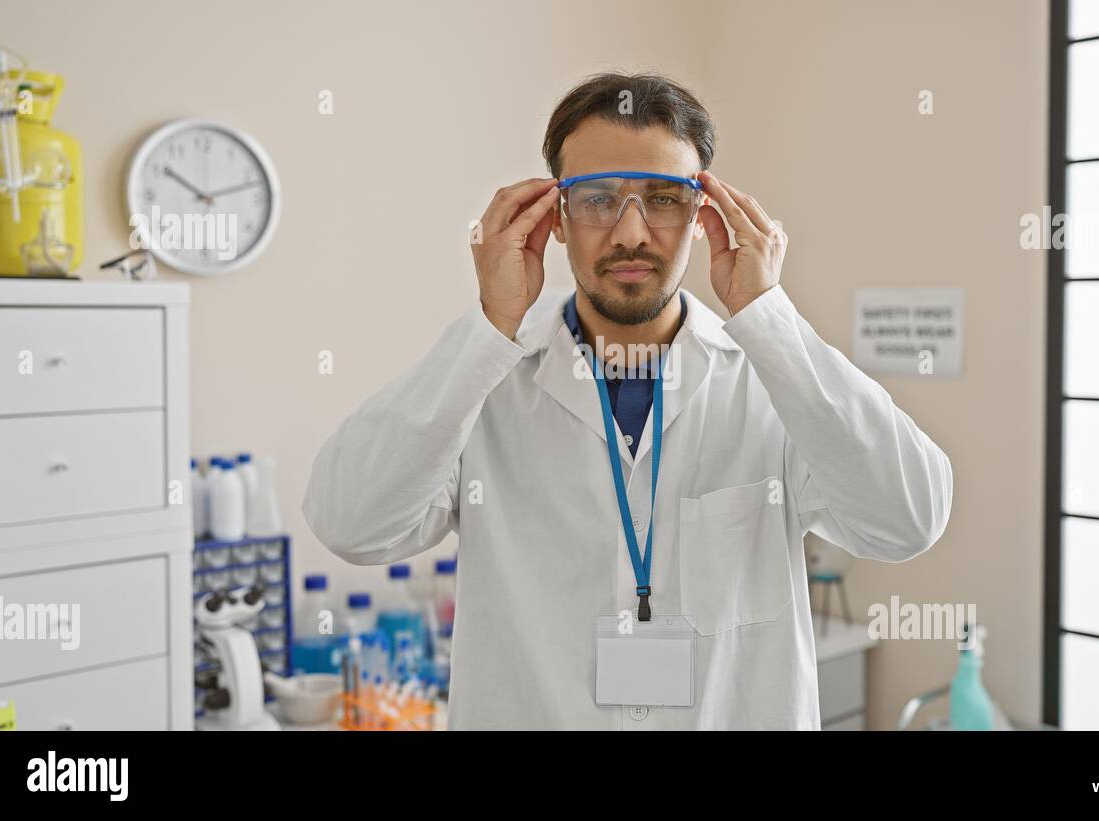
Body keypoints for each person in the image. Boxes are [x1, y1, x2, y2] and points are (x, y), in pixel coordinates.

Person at [303, 72, 953, 729]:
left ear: (704, 216)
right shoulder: (483, 385)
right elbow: (349, 521)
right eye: (598, 200)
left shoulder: (772, 382)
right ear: (555, 218)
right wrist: (488, 327)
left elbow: (907, 518)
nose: (630, 232)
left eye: (665, 198)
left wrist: (768, 315)